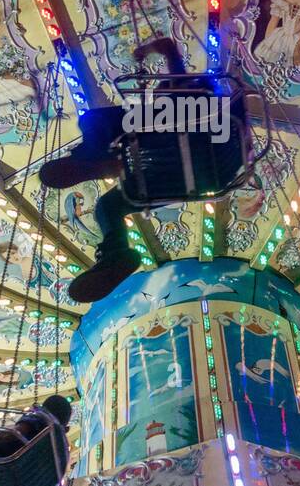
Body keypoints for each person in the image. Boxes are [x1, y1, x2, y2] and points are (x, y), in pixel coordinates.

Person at [39, 37, 213, 302]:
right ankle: (116, 254)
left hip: (180, 153)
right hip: (182, 173)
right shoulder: (182, 107)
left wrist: (146, 51)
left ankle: (95, 157)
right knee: (107, 207)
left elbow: (169, 49)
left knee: (95, 120)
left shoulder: (186, 96)